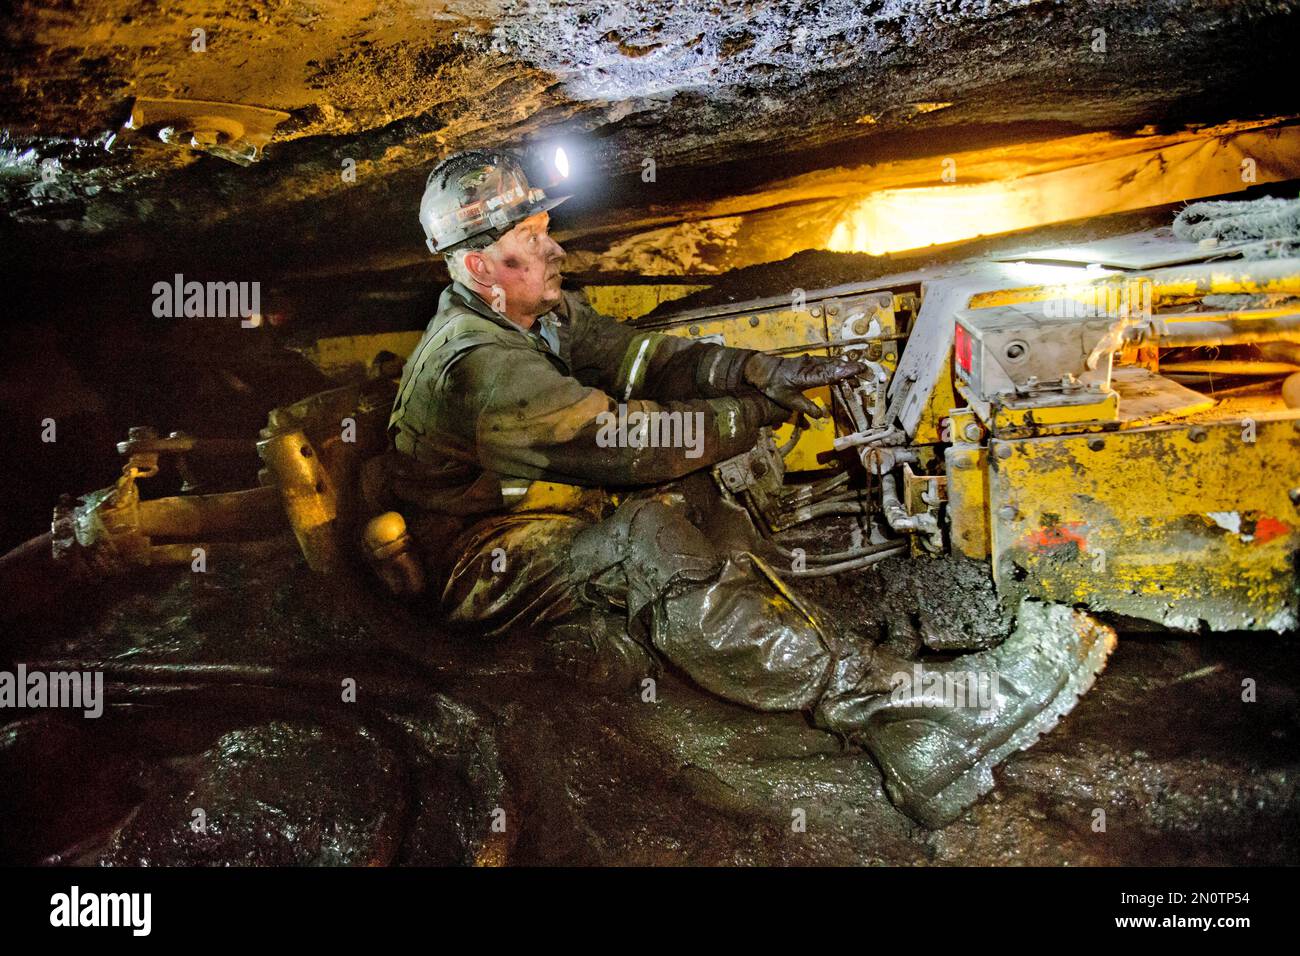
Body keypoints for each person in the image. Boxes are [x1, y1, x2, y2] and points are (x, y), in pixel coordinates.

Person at [376, 149, 1114, 827]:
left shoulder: (536, 312)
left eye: (545, 228)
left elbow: (639, 358)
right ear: (478, 268)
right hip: (485, 558)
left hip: (548, 505)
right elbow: (635, 446)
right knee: (646, 540)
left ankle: (819, 668)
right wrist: (747, 416)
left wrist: (756, 372)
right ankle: (909, 712)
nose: (556, 248)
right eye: (531, 240)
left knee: (693, 497)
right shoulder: (476, 367)